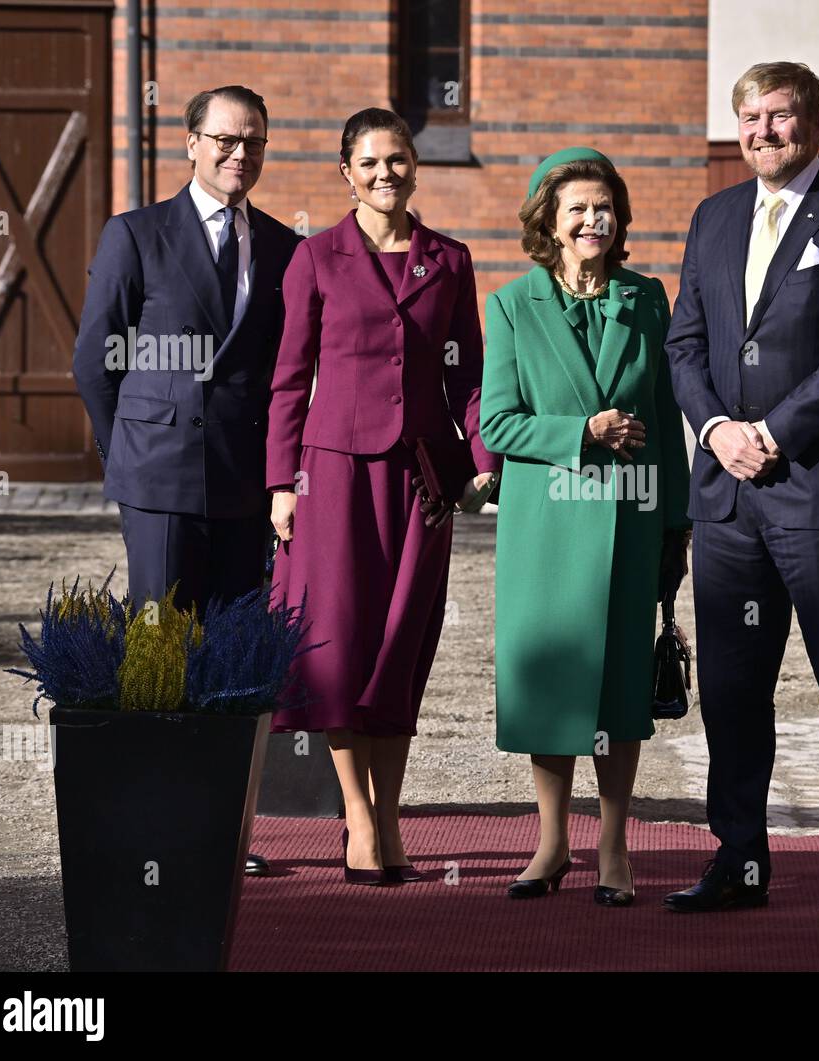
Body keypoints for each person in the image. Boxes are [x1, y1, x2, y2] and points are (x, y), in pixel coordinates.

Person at [663, 61, 819, 924]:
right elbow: (684, 343)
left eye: (782, 116)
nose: (765, 131)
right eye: (751, 116)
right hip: (725, 498)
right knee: (731, 688)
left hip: (817, 493)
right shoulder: (714, 215)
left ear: (814, 123)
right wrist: (720, 432)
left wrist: (775, 433)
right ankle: (738, 857)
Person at [72, 84, 302, 877]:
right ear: (192, 142)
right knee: (161, 650)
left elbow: (287, 371)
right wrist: (128, 455)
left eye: (256, 143)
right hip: (161, 480)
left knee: (233, 657)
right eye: (228, 140)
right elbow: (95, 359)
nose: (242, 155)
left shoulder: (282, 245)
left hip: (246, 483)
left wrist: (286, 475)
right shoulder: (137, 234)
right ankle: (155, 832)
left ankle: (223, 832)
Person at [266, 108, 499, 885]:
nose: (385, 175)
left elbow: (467, 374)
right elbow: (290, 379)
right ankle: (357, 821)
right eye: (369, 163)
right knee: (336, 645)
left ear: (414, 166)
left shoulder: (451, 260)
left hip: (421, 478)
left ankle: (392, 815)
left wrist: (480, 462)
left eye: (397, 160)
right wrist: (279, 483)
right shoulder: (315, 258)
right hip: (330, 476)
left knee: (401, 644)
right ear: (346, 172)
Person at [480, 147, 691, 906]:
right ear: (551, 221)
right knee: (552, 682)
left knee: (621, 686)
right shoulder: (509, 305)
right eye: (577, 209)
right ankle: (550, 842)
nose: (593, 219)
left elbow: (666, 419)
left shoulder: (646, 297)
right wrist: (583, 430)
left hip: (632, 522)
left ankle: (612, 844)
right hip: (545, 525)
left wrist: (677, 520)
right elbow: (497, 422)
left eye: (604, 208)